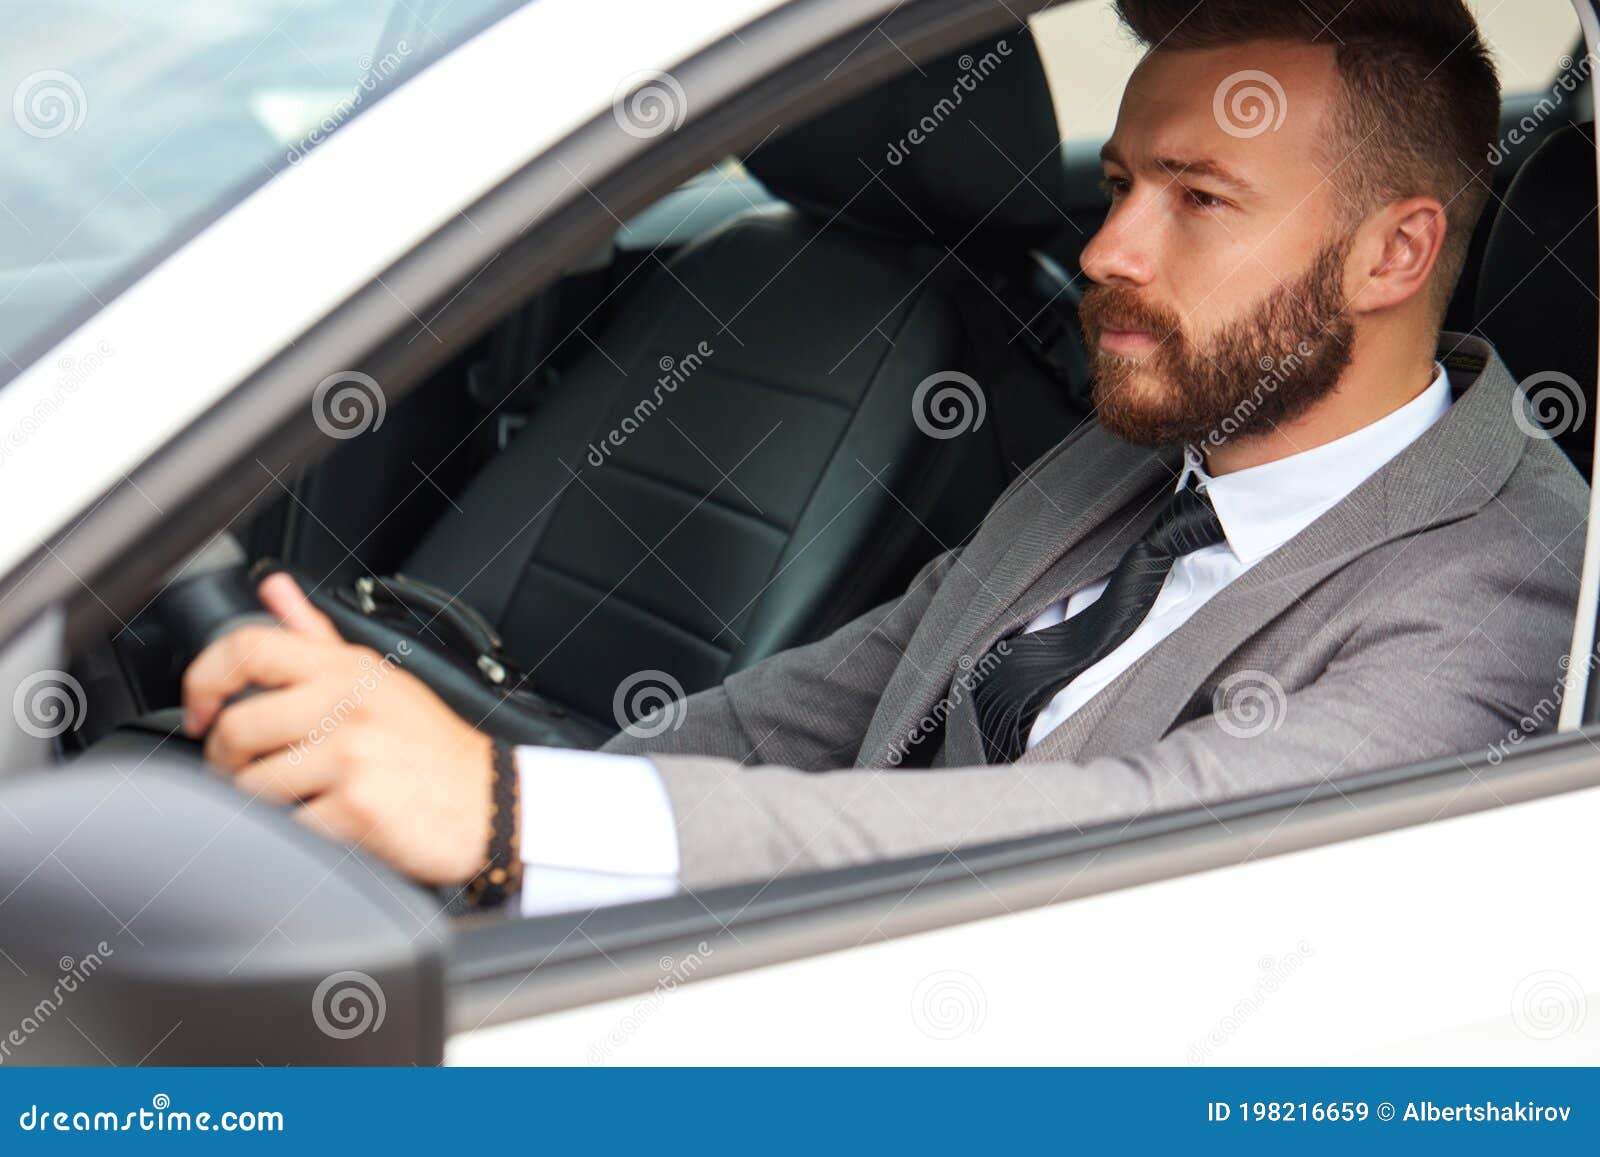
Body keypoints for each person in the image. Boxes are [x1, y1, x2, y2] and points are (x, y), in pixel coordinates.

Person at [181, 0, 1587, 915]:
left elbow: (1125, 842)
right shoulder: (1136, 459)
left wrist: (507, 813)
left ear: (1393, 254)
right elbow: (797, 715)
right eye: (1119, 185)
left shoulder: (1515, 591)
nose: (1108, 249)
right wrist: (434, 821)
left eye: (1199, 200)